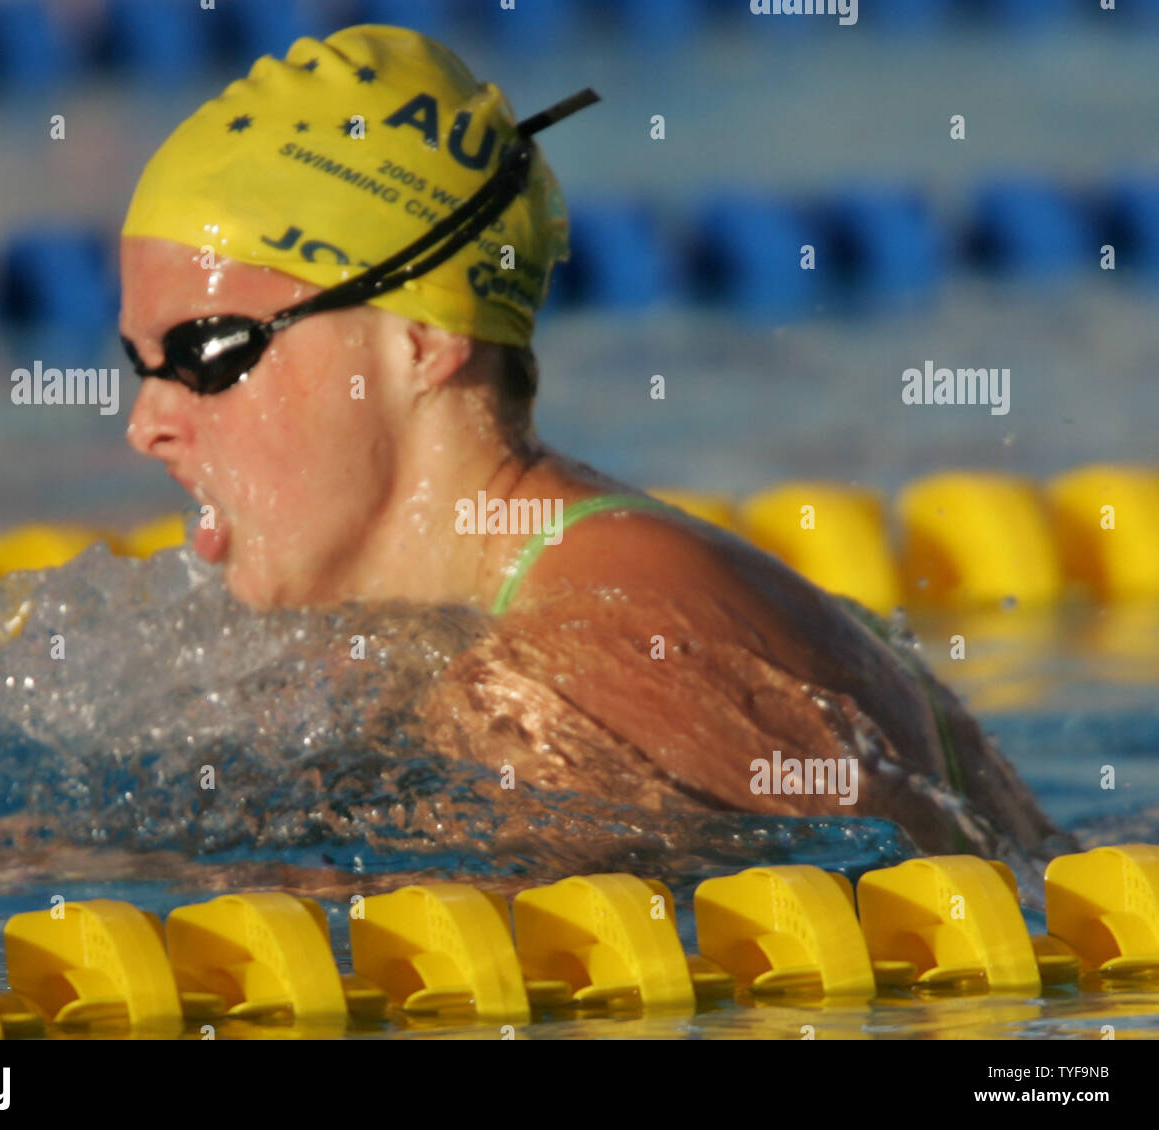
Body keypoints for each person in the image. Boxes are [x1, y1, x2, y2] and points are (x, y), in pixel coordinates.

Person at [120, 25, 1066, 860]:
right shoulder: (486, 616)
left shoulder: (583, 660)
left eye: (207, 352)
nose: (148, 421)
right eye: (139, 363)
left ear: (420, 342)